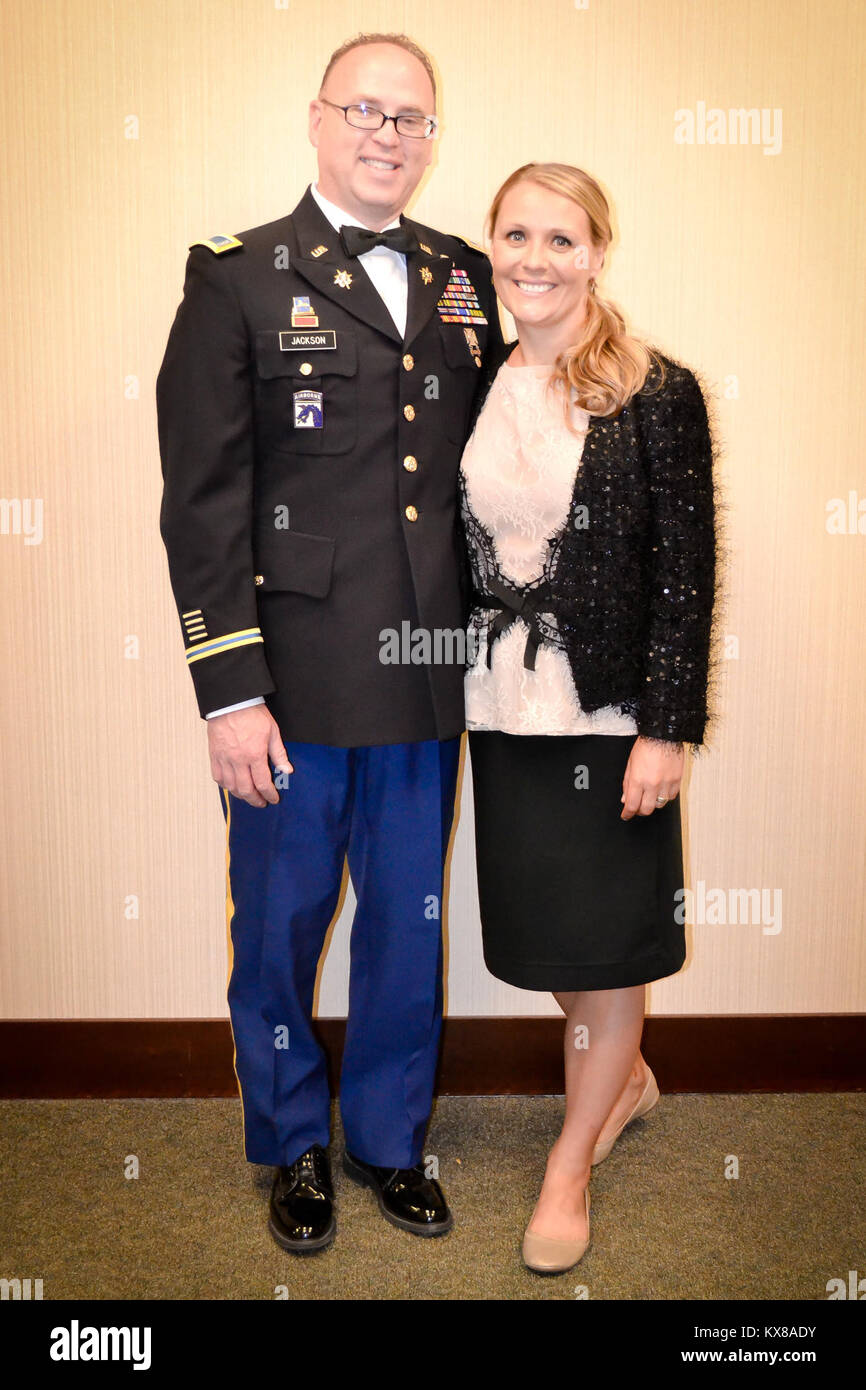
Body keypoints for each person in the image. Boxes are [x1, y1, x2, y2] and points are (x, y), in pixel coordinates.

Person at [156, 33, 502, 1255]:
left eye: (411, 118)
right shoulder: (238, 275)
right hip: (288, 681)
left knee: (409, 922)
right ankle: (292, 1139)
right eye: (366, 109)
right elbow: (200, 502)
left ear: (429, 138)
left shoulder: (465, 277)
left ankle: (389, 1140)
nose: (387, 134)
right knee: (284, 921)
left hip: (421, 670)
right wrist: (226, 692)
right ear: (316, 120)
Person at [459, 163, 719, 1273]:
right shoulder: (469, 376)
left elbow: (683, 574)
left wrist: (665, 728)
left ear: (596, 253)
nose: (532, 257)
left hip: (607, 709)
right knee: (549, 937)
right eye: (514, 234)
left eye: (558, 238)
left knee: (608, 951)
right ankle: (624, 1080)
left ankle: (568, 1168)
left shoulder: (653, 389)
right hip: (498, 703)